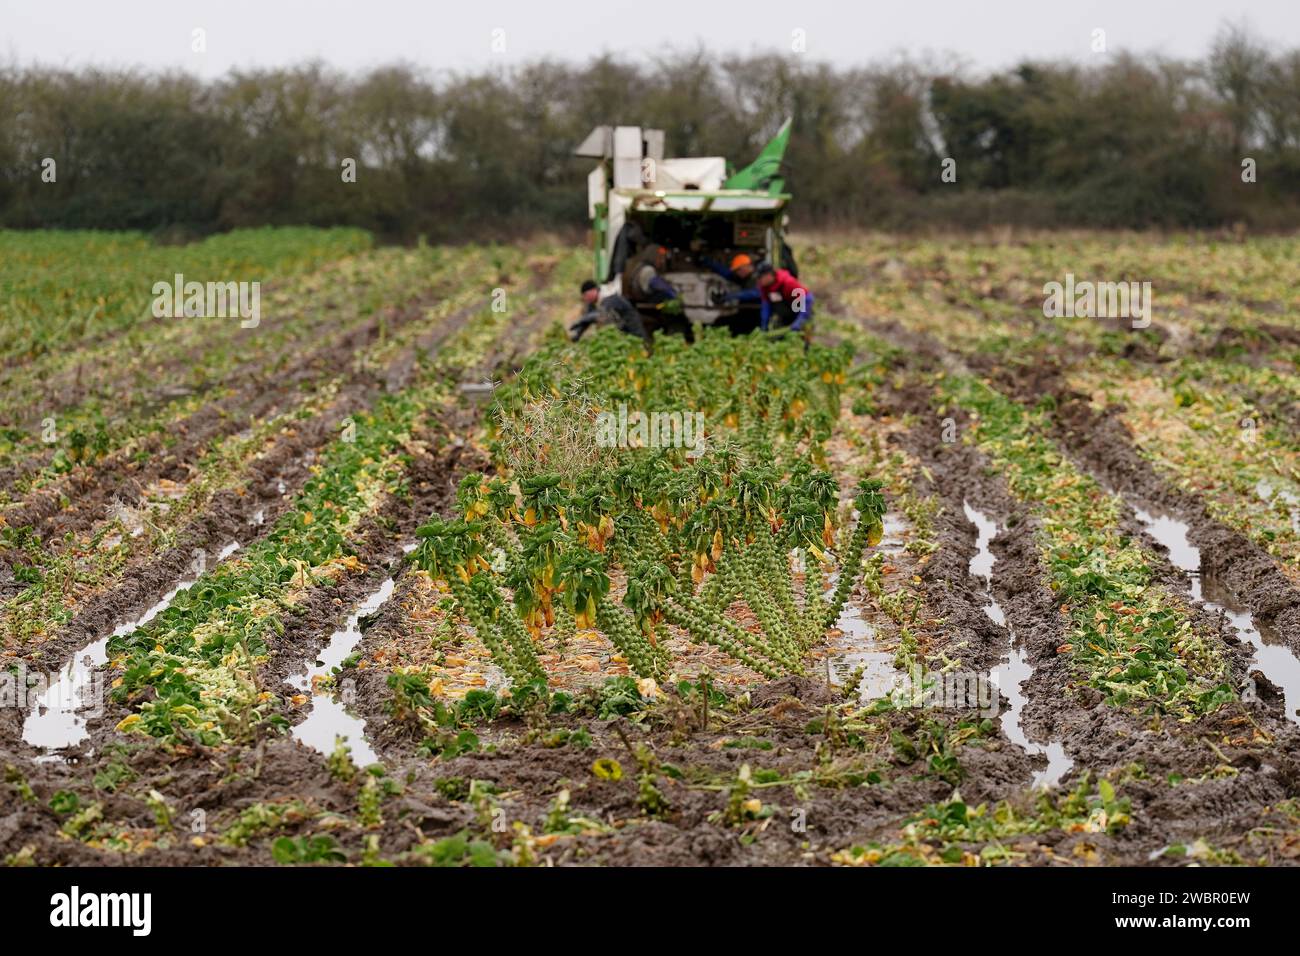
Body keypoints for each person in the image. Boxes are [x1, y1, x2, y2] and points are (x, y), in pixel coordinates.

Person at [625, 245, 692, 342]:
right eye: (659, 258)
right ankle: (675, 337)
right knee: (676, 316)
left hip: (644, 302)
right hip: (650, 303)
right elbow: (660, 286)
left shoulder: (640, 267)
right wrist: (675, 295)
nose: (661, 261)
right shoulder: (648, 270)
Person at [570, 280, 651, 347]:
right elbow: (589, 316)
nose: (585, 299)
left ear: (593, 291)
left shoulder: (609, 297)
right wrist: (577, 333)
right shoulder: (595, 301)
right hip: (623, 333)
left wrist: (581, 320)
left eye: (585, 295)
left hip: (632, 329)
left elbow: (600, 314)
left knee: (641, 347)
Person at [754, 262, 813, 335]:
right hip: (785, 316)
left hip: (799, 311)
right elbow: (766, 306)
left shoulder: (788, 283)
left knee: (803, 334)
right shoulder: (764, 287)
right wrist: (764, 324)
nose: (758, 281)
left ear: (768, 275)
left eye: (760, 277)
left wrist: (800, 320)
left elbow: (807, 299)